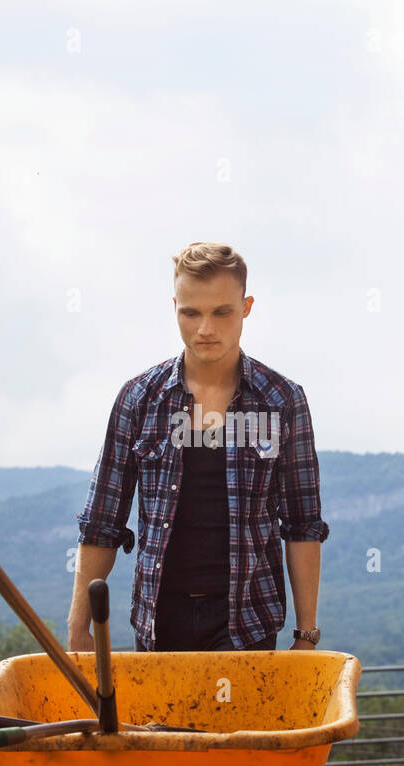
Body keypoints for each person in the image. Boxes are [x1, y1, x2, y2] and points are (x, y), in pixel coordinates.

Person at [68, 241, 329, 653]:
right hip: (157, 623)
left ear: (246, 307)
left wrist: (306, 634)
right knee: (159, 723)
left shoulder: (283, 400)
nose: (205, 328)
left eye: (221, 312)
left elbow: (302, 524)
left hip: (247, 624)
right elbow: (102, 521)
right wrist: (78, 626)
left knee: (240, 722)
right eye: (191, 312)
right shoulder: (138, 399)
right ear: (175, 307)